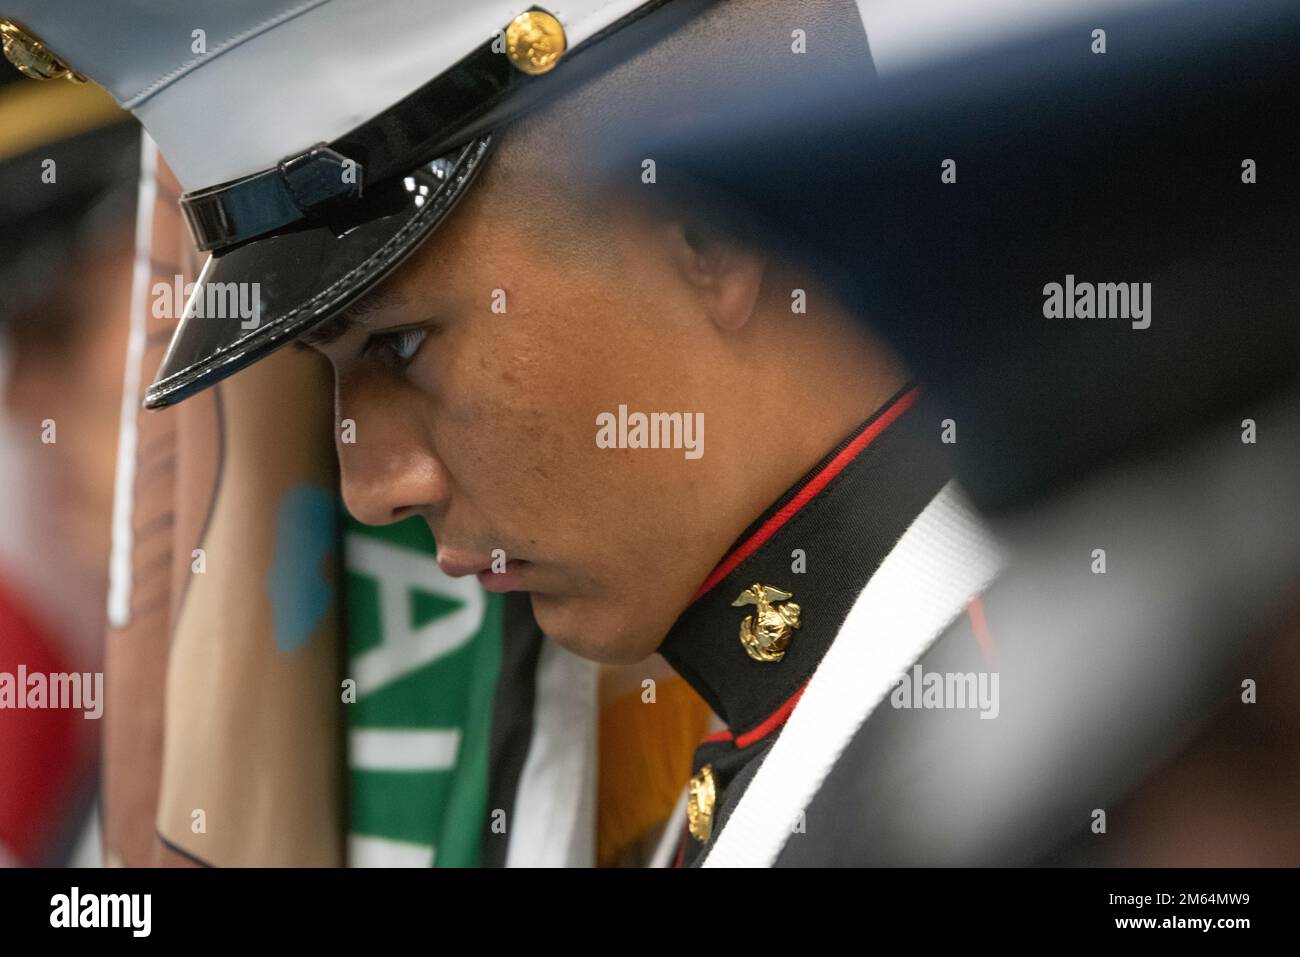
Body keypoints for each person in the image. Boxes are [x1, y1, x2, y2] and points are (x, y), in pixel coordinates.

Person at [0, 0, 1003, 867]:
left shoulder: (1012, 746)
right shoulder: (886, 725)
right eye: (331, 375)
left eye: (398, 346)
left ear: (717, 226)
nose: (370, 489)